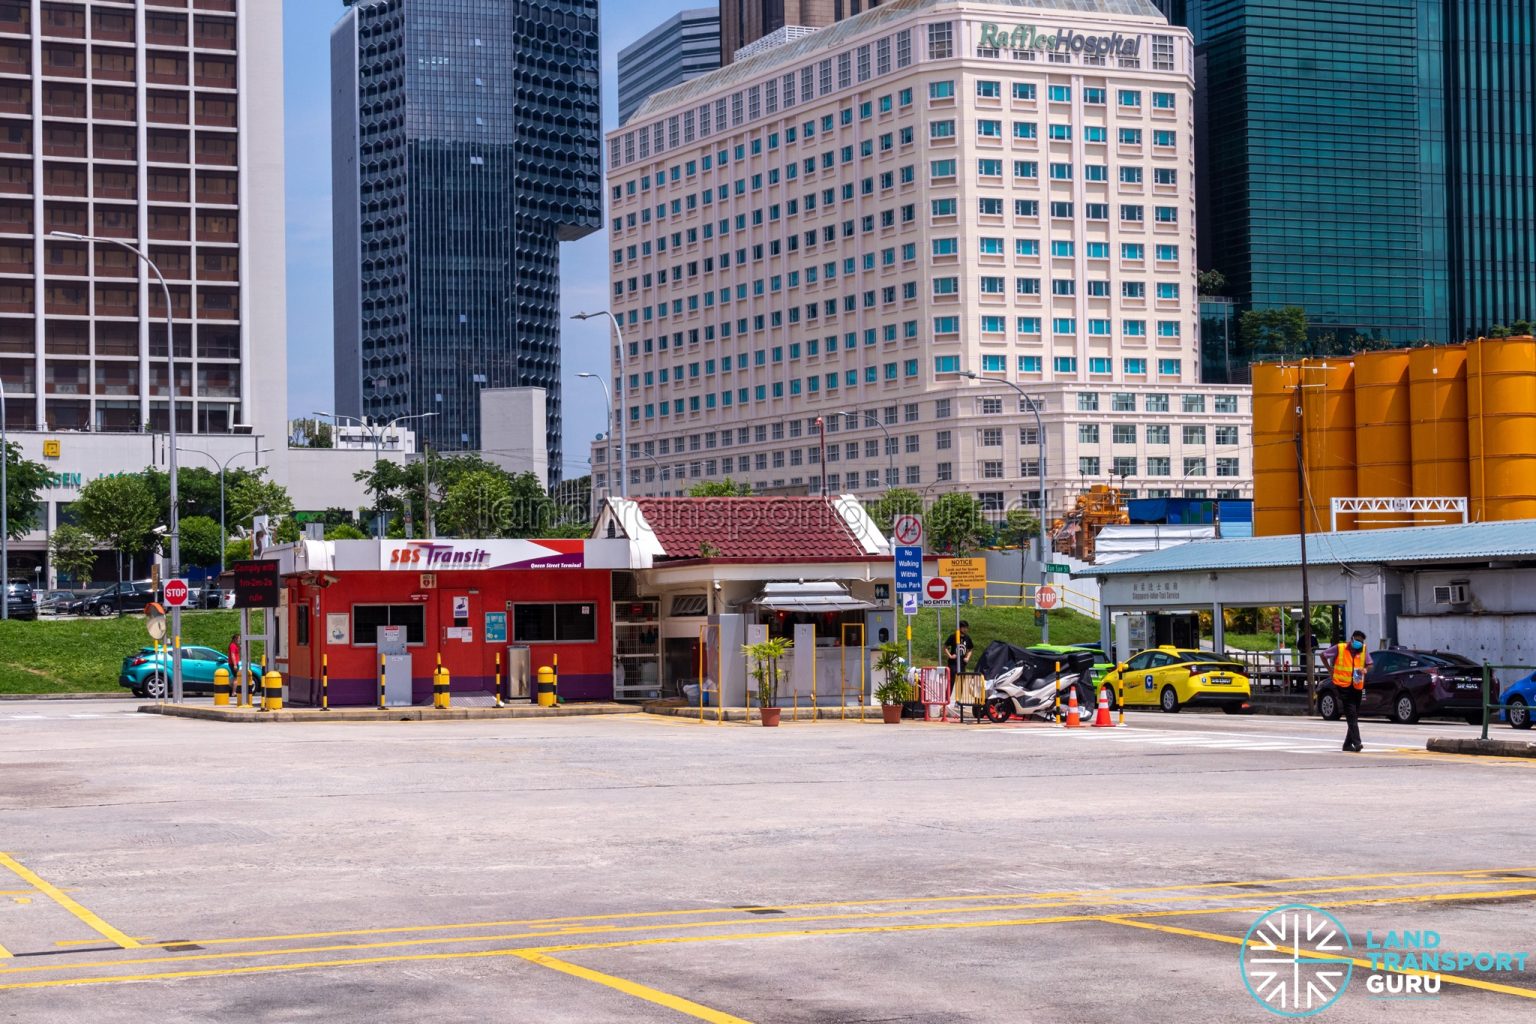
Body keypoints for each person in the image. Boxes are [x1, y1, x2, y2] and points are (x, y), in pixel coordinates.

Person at [1326, 630, 1372, 752]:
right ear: (1351, 639)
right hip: (1343, 686)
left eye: (1361, 642)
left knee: (1354, 715)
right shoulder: (1340, 648)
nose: (1359, 643)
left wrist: (1365, 669)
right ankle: (1357, 742)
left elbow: (1369, 663)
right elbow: (1323, 655)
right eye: (1357, 640)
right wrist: (1330, 670)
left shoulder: (1363, 650)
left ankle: (1347, 744)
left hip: (1357, 684)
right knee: (1351, 714)